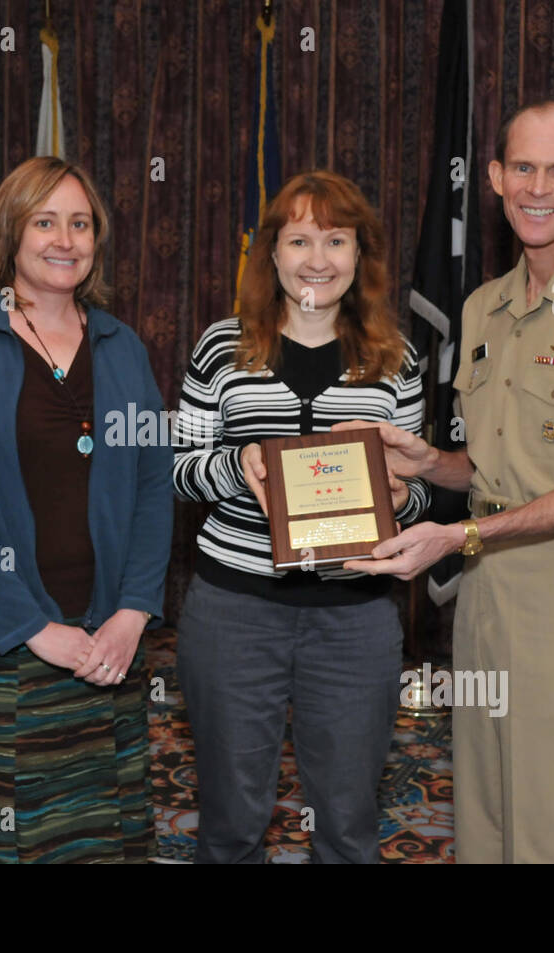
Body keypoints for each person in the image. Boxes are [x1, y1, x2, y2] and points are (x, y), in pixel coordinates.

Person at [340, 100, 554, 863]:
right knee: (485, 802)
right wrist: (428, 463)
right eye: (522, 166)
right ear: (495, 177)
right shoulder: (485, 306)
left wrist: (460, 533)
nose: (538, 187)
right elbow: (495, 467)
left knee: (553, 812)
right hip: (484, 579)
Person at [0, 156, 172, 864]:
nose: (65, 240)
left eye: (80, 224)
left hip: (106, 644)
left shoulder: (122, 346)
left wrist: (133, 611)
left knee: (95, 842)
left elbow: (154, 486)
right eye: (45, 222)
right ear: (11, 233)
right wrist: (30, 626)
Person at [172, 170, 431, 864]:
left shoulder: (397, 357)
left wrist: (401, 498)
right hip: (234, 611)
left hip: (354, 620)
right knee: (230, 822)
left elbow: (418, 487)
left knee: (347, 824)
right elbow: (178, 469)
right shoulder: (222, 347)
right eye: (300, 240)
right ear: (272, 252)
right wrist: (240, 464)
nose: (318, 258)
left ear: (360, 254)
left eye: (336, 240)